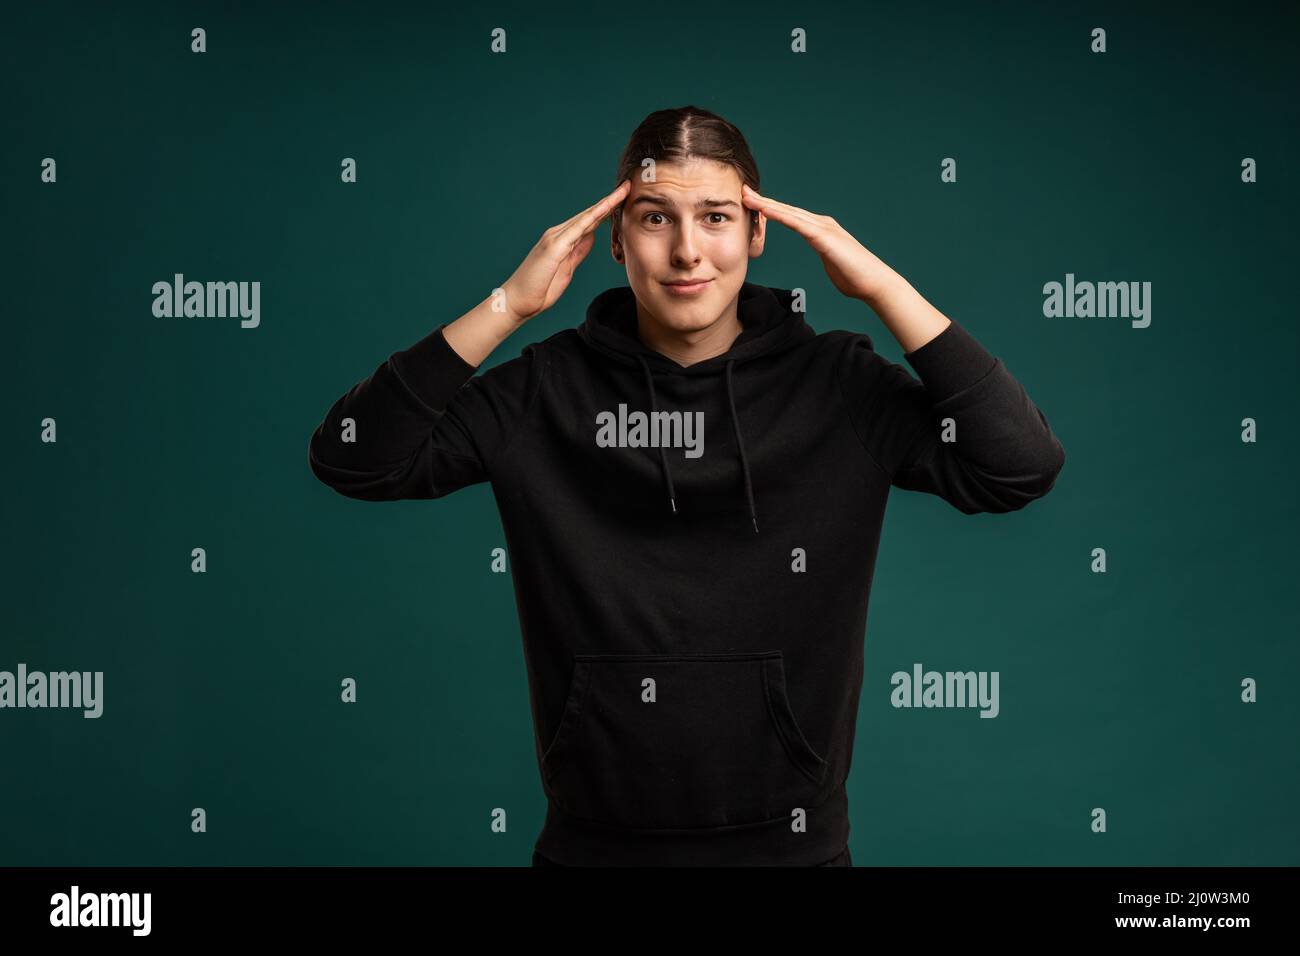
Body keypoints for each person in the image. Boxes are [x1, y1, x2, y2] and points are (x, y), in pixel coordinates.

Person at [307, 105, 1065, 867]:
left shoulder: (839, 386)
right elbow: (355, 459)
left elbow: (1020, 465)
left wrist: (881, 288)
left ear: (757, 234)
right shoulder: (544, 392)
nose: (686, 251)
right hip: (592, 851)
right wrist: (512, 305)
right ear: (614, 239)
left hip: (794, 853)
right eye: (654, 218)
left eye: (715, 217)